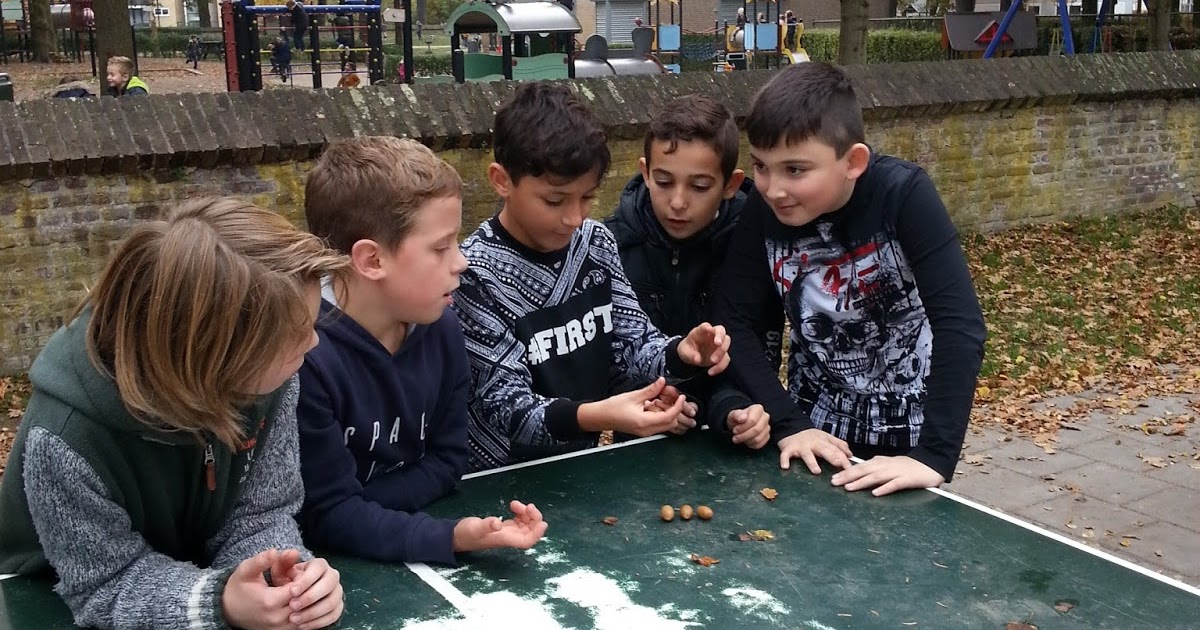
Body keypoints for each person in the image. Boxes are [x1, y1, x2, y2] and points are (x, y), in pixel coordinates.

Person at [0, 197, 349, 630]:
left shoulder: (273, 380)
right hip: (43, 599)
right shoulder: (65, 439)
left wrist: (283, 582)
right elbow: (107, 584)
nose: (312, 345)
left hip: (191, 567)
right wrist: (219, 604)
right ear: (213, 358)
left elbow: (260, 512)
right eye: (296, 336)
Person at [715, 62, 986, 497]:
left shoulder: (904, 195)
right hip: (812, 436)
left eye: (796, 170)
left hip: (907, 440)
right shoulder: (763, 209)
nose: (773, 188)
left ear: (853, 162)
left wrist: (933, 456)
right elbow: (734, 319)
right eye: (762, 167)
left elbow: (960, 324)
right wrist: (789, 423)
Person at [453, 82, 732, 473]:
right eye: (554, 200)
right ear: (501, 180)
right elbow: (506, 407)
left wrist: (678, 355)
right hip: (502, 482)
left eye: (587, 198)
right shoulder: (472, 274)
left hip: (581, 469)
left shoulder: (594, 242)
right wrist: (601, 416)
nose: (574, 217)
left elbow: (632, 344)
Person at [296, 137, 548, 565]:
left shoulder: (442, 325)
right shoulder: (304, 357)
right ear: (372, 260)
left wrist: (361, 507)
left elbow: (450, 458)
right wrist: (447, 537)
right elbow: (323, 513)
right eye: (440, 247)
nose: (461, 262)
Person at [605, 94, 774, 451]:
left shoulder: (754, 248)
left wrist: (734, 410)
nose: (678, 202)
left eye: (699, 187)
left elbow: (754, 354)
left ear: (730, 184)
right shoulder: (612, 246)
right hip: (637, 448)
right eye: (664, 182)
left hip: (729, 448)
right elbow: (610, 354)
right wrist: (651, 399)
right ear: (645, 172)